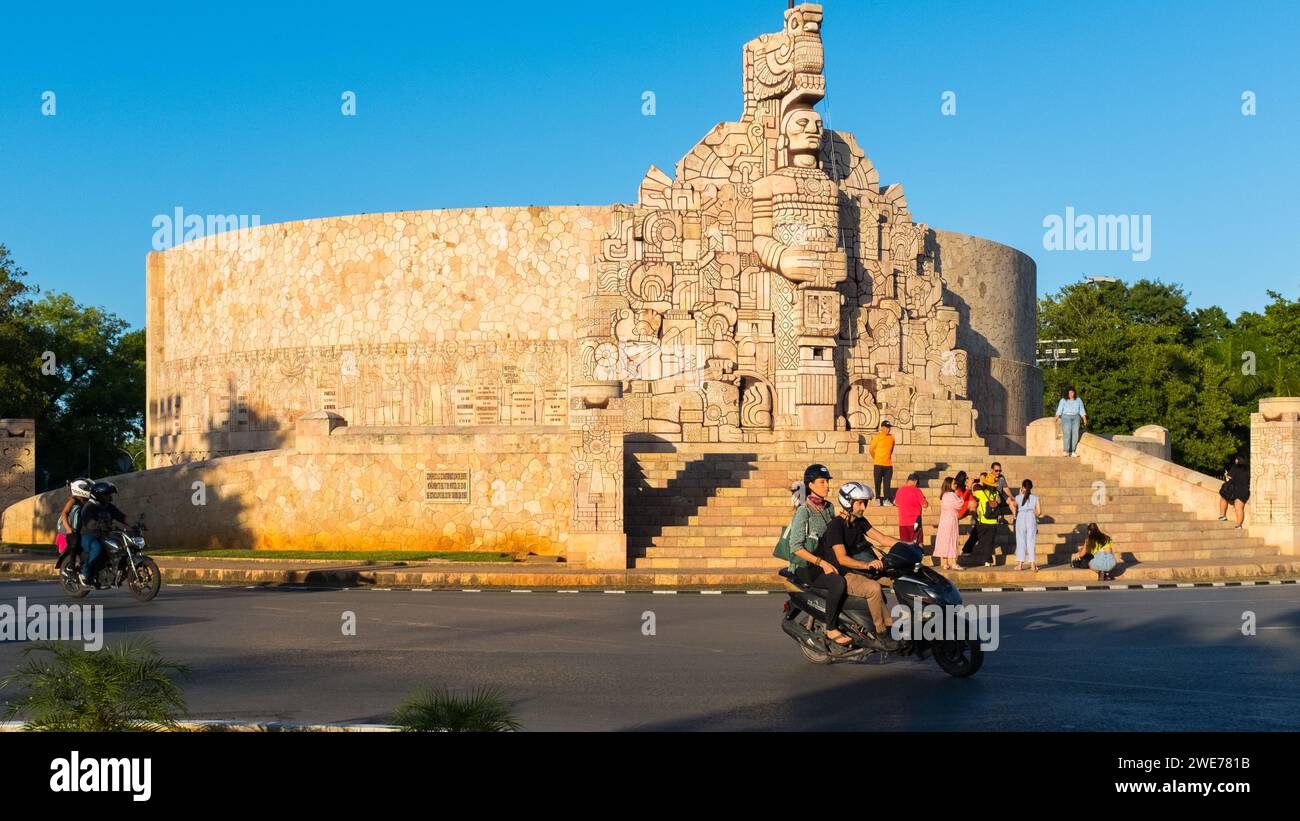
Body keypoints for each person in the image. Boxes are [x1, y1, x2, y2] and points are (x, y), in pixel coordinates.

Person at [816, 481, 899, 650]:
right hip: (844, 572)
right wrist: (868, 564)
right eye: (860, 503)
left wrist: (908, 546)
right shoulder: (836, 526)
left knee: (899, 579)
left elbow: (882, 539)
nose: (863, 507)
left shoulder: (860, 521)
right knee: (873, 589)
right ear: (848, 502)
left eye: (865, 503)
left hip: (861, 568)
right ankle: (882, 632)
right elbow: (842, 559)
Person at [786, 464, 851, 648]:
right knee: (838, 583)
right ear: (811, 485)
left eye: (827, 482)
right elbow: (795, 547)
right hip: (805, 566)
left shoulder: (828, 507)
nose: (827, 486)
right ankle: (831, 628)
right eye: (822, 482)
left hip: (824, 561)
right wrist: (821, 563)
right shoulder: (803, 511)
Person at [78, 481, 127, 587]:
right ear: (98, 496)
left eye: (109, 494)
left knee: (121, 546)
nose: (109, 496)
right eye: (106, 494)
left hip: (105, 535)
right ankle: (84, 572)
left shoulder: (109, 507)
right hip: (90, 536)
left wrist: (135, 524)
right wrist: (101, 525)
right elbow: (90, 523)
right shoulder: (88, 507)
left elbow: (122, 517)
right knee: (97, 547)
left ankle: (114, 570)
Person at [967, 474, 1001, 567]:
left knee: (981, 540)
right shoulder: (996, 494)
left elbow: (972, 493)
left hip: (983, 520)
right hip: (993, 521)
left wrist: (971, 484)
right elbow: (999, 501)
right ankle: (988, 561)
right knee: (989, 543)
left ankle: (968, 551)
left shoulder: (982, 492)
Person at [933, 477, 963, 572]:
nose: (956, 485)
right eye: (954, 483)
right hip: (950, 520)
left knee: (945, 540)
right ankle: (953, 563)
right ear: (949, 484)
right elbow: (960, 504)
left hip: (944, 520)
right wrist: (960, 496)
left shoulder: (944, 495)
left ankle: (945, 563)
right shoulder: (951, 495)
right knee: (952, 539)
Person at [56, 478, 93, 555]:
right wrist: (68, 529)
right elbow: (64, 514)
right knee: (68, 554)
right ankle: (70, 566)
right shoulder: (73, 500)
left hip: (77, 532)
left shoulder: (86, 501)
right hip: (66, 534)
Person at [1013, 479, 1042, 571]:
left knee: (1021, 540)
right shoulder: (1035, 497)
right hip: (1031, 517)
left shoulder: (1017, 497)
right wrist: (1034, 515)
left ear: (1022, 487)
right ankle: (1033, 565)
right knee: (1031, 541)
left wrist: (1020, 493)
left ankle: (1020, 565)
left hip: (1021, 517)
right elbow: (1039, 512)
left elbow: (1014, 506)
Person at [893, 473, 929, 542]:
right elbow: (925, 505)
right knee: (918, 543)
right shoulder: (917, 491)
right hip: (915, 523)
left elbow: (896, 504)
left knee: (905, 544)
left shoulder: (900, 490)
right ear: (915, 481)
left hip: (903, 522)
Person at [1218, 456, 1250, 530]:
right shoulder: (1247, 470)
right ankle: (1239, 525)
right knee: (1239, 507)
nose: (1235, 460)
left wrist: (1226, 475)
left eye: (1237, 459)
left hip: (1234, 489)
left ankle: (1222, 515)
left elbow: (1230, 477)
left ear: (1238, 461)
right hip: (1243, 490)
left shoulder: (1235, 468)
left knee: (1223, 497)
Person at [1055, 386, 1088, 457]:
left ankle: (1073, 451)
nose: (1071, 394)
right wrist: (1056, 417)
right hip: (1066, 417)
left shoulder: (1078, 400)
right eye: (1069, 393)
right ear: (1067, 393)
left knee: (1075, 434)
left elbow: (1081, 409)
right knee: (1067, 433)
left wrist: (1084, 418)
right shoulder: (1063, 400)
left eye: (1072, 392)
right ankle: (1066, 451)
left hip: (1076, 417)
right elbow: (1059, 409)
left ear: (1074, 393)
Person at [869, 421, 895, 506]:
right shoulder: (877, 437)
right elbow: (871, 449)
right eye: (887, 427)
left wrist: (887, 457)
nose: (888, 429)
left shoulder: (892, 438)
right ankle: (877, 498)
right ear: (882, 428)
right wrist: (875, 458)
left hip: (888, 465)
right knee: (878, 482)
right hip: (878, 464)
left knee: (887, 483)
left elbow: (891, 450)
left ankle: (886, 499)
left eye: (889, 427)